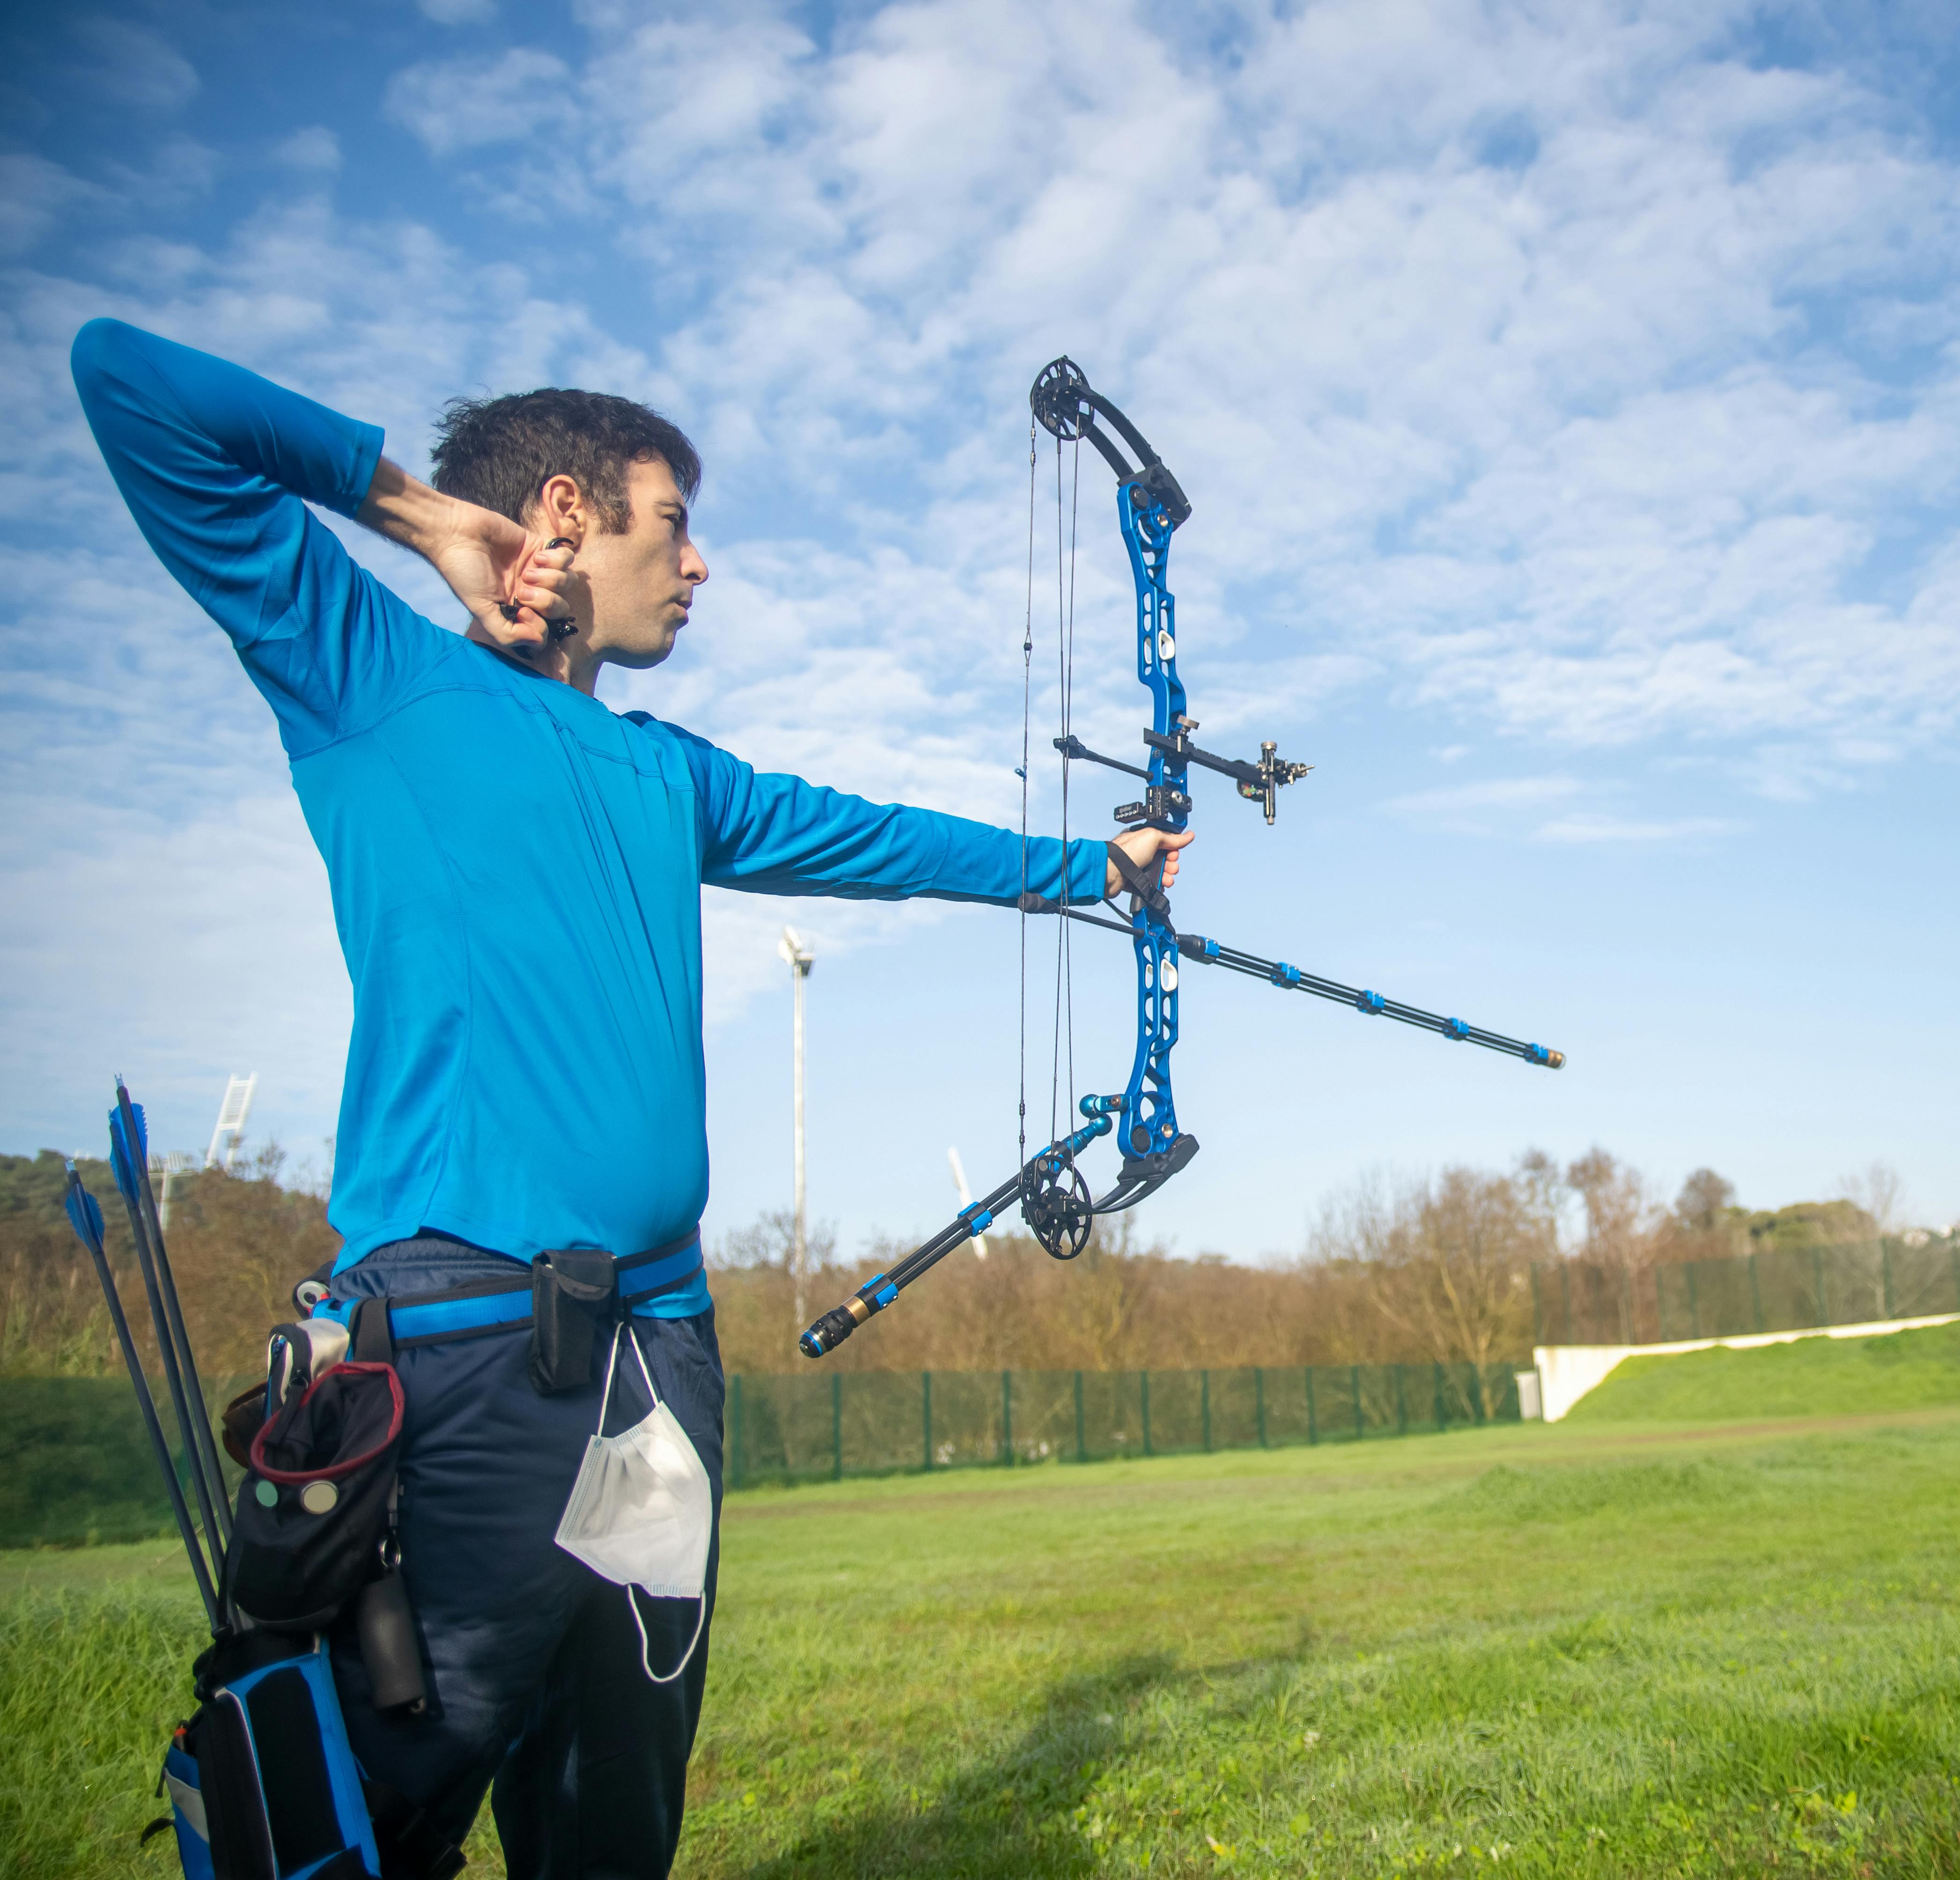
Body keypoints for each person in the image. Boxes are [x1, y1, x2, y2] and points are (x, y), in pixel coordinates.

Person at [71, 318, 1187, 1879]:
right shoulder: (366, 672)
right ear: (568, 516)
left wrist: (1095, 867)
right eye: (676, 522)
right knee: (386, 1813)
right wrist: (417, 514)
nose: (701, 565)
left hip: (659, 1358)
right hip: (465, 1346)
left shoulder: (666, 770)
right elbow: (122, 376)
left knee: (613, 1815)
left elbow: (865, 837)